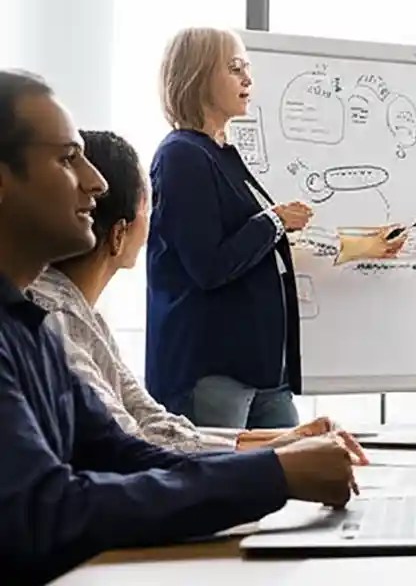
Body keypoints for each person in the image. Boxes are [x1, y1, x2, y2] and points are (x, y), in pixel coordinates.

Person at [0, 70, 356, 583]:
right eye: (65, 159)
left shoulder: (28, 326)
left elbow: (128, 453)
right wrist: (277, 471)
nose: (96, 183)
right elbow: (45, 513)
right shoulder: (31, 323)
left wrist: (278, 464)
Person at [29, 129, 366, 459]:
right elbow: (131, 448)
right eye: (151, 204)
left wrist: (287, 441)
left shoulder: (86, 319)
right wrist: (277, 463)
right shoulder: (54, 319)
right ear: (119, 233)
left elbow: (153, 425)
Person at [147, 26, 312, 428]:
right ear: (198, 76)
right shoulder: (182, 155)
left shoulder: (221, 154)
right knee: (220, 485)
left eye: (247, 68)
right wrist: (274, 220)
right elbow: (209, 265)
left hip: (262, 371)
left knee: (285, 476)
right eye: (234, 68)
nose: (248, 79)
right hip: (213, 371)